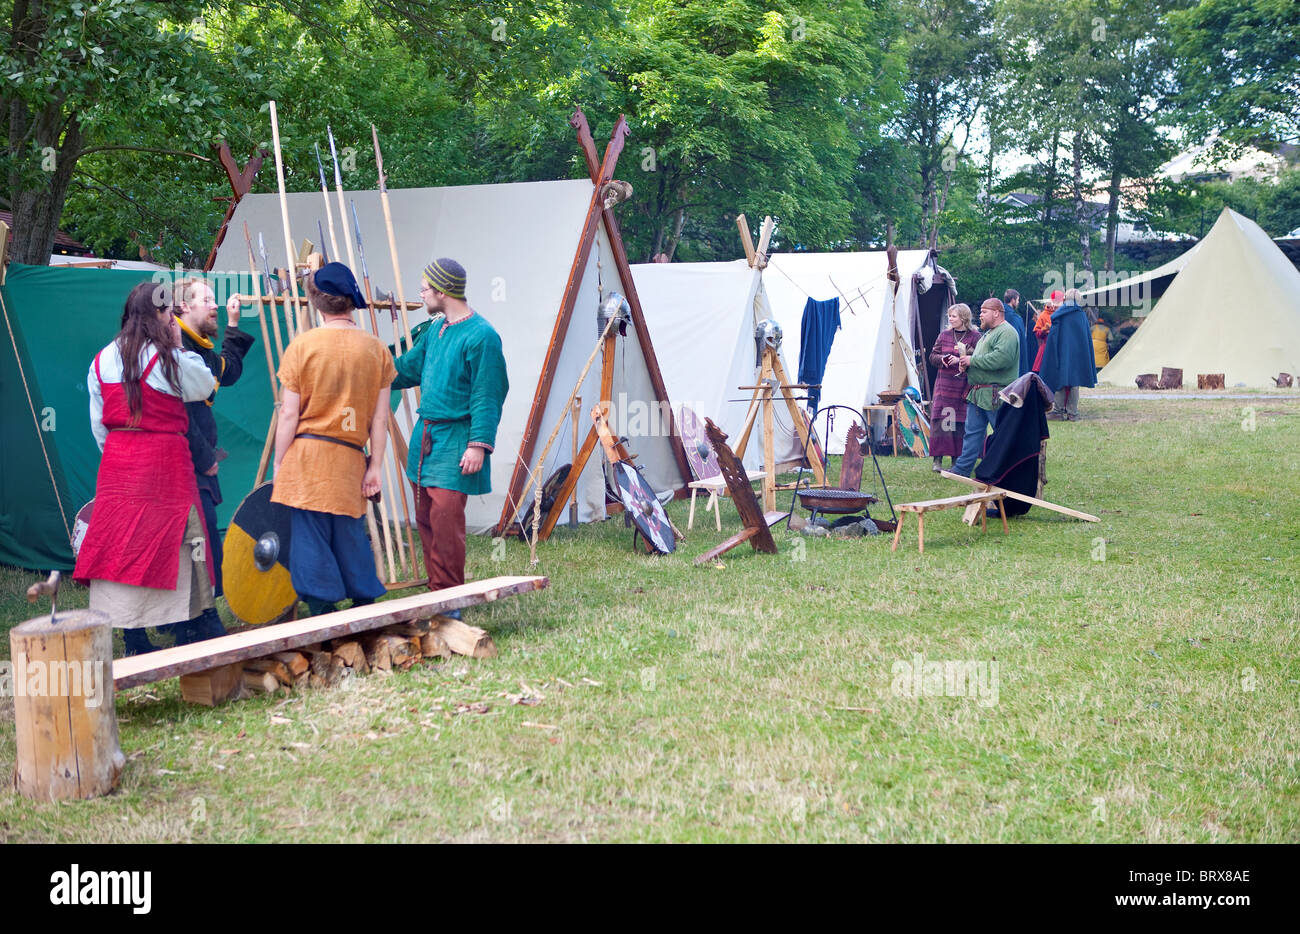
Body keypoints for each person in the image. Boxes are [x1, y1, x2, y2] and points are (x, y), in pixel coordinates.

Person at [73, 282, 217, 656]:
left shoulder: (101, 358)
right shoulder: (169, 358)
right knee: (179, 541)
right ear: (157, 315)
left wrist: (121, 451)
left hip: (119, 465)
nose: (174, 318)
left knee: (120, 547)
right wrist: (179, 346)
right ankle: (190, 622)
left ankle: (133, 637)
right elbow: (204, 385)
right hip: (164, 463)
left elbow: (98, 425)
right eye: (169, 313)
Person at [271, 263, 395, 617]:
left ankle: (323, 610)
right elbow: (380, 418)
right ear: (350, 302)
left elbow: (290, 415)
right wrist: (375, 467)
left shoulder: (302, 347)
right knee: (349, 535)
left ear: (316, 302)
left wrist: (280, 463)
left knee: (310, 538)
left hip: (307, 457)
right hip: (350, 458)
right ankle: (362, 604)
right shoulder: (377, 350)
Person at [394, 258, 508, 610]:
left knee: (445, 518)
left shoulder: (481, 336)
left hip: (457, 438)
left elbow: (488, 393)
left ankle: (451, 599)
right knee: (425, 517)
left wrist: (478, 445)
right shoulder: (435, 330)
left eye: (425, 287)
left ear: (442, 291)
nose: (421, 293)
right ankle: (437, 594)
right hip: (425, 437)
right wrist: (368, 364)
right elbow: (407, 369)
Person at [173, 277, 255, 641]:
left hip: (195, 459)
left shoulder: (199, 346)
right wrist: (204, 457)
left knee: (202, 536)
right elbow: (180, 414)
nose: (215, 305)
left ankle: (195, 618)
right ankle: (194, 620)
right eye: (206, 299)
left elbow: (227, 371)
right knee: (195, 538)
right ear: (182, 308)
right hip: (181, 460)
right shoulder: (174, 347)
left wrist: (234, 326)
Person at [951, 298, 1020, 478]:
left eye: (984, 311)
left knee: (1002, 435)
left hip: (996, 394)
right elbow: (984, 358)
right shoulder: (989, 333)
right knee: (972, 434)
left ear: (996, 313)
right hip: (979, 394)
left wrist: (971, 360)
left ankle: (1007, 469)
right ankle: (962, 470)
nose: (980, 315)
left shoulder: (1007, 333)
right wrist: (966, 362)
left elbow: (1001, 359)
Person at [927, 303, 980, 472]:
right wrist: (942, 359)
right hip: (945, 386)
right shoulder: (944, 335)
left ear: (963, 318)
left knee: (960, 423)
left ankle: (957, 460)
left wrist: (962, 359)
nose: (950, 318)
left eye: (954, 316)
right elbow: (932, 355)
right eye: (949, 316)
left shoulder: (975, 336)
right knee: (943, 422)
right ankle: (938, 459)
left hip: (963, 385)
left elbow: (979, 357)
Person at [1038, 287, 1096, 420]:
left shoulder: (1060, 315)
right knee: (1074, 383)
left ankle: (1058, 411)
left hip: (1062, 354)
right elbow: (1085, 339)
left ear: (1065, 299)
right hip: (1077, 356)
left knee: (1062, 380)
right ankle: (1072, 413)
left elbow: (1053, 336)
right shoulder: (1081, 315)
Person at [1001, 289, 1032, 376]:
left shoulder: (998, 315)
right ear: (1013, 300)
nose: (1018, 302)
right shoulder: (1015, 318)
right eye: (1017, 300)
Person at [1090, 308, 1113, 377]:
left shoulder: (1093, 327)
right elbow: (1111, 339)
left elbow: (1087, 335)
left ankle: (1094, 373)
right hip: (1102, 344)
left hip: (1093, 343)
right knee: (1103, 359)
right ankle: (1102, 373)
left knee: (1093, 357)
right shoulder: (1107, 329)